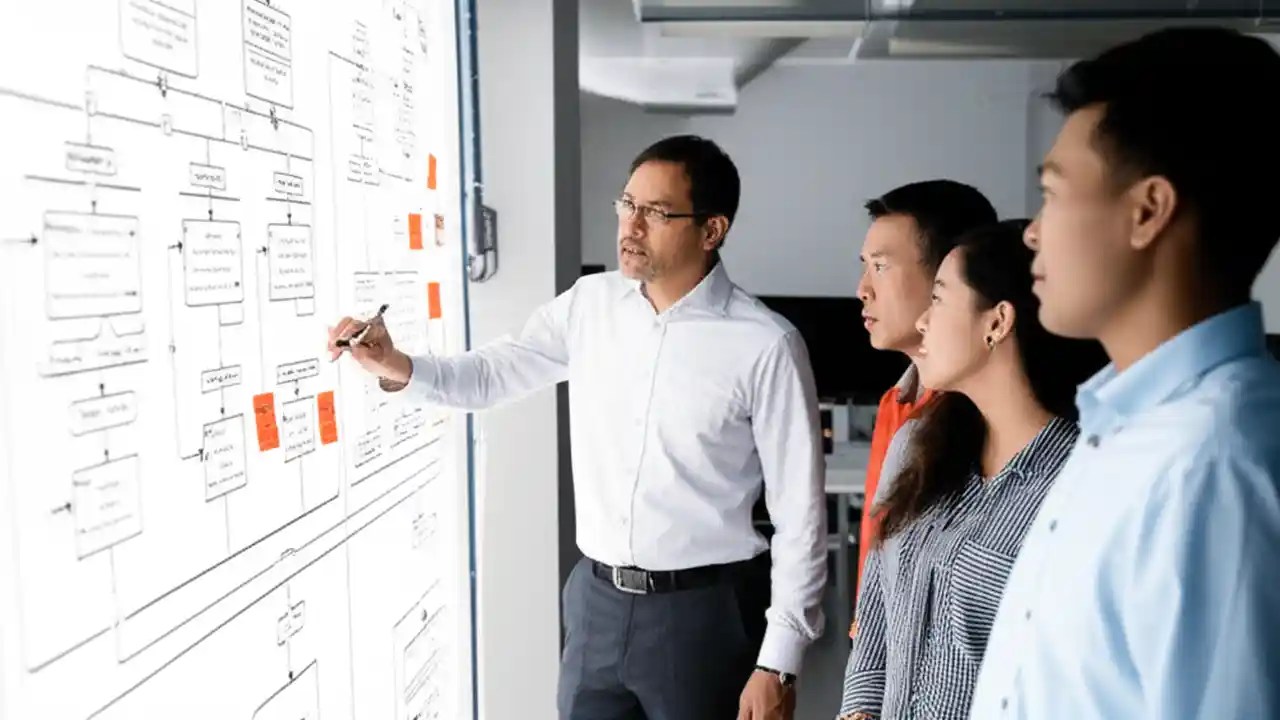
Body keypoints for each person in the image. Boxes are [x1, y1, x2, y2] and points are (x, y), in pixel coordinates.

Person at [328, 135, 826, 720]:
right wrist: (398, 365)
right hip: (595, 606)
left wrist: (778, 663)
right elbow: (495, 373)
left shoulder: (765, 344)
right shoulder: (591, 305)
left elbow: (801, 518)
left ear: (711, 230)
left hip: (705, 615)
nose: (631, 226)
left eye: (656, 212)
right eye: (627, 204)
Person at [970, 27, 1280, 719]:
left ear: (1147, 211)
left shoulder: (1219, 462)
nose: (1031, 231)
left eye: (1052, 194)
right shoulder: (1124, 427)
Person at [836, 220, 1105, 720]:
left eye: (938, 298)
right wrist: (859, 710)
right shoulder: (920, 444)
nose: (922, 322)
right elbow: (875, 609)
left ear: (997, 322)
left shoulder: (1078, 490)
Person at [853, 181, 997, 590]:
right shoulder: (896, 401)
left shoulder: (982, 414)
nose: (862, 290)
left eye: (880, 267)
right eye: (864, 266)